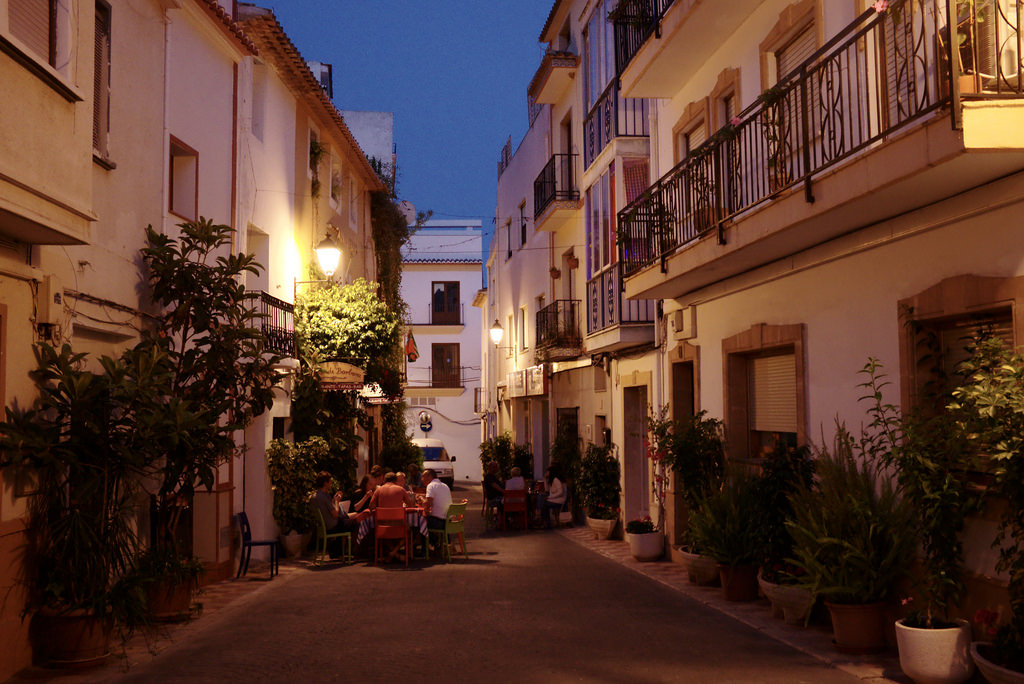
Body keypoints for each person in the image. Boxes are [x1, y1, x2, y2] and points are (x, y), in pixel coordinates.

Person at [311, 471, 370, 557]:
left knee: (347, 520)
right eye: (330, 481)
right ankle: (355, 552)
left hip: (324, 526)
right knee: (355, 522)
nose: (331, 483)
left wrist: (334, 501)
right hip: (332, 526)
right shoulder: (325, 496)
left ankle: (337, 552)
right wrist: (336, 501)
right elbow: (335, 514)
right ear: (325, 483)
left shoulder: (314, 497)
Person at [419, 468, 452, 533]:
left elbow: (428, 505)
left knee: (419, 521)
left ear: (429, 477)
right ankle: (436, 541)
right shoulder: (445, 485)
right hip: (449, 521)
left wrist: (421, 499)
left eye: (423, 476)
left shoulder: (431, 486)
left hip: (440, 522)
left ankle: (427, 542)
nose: (421, 479)